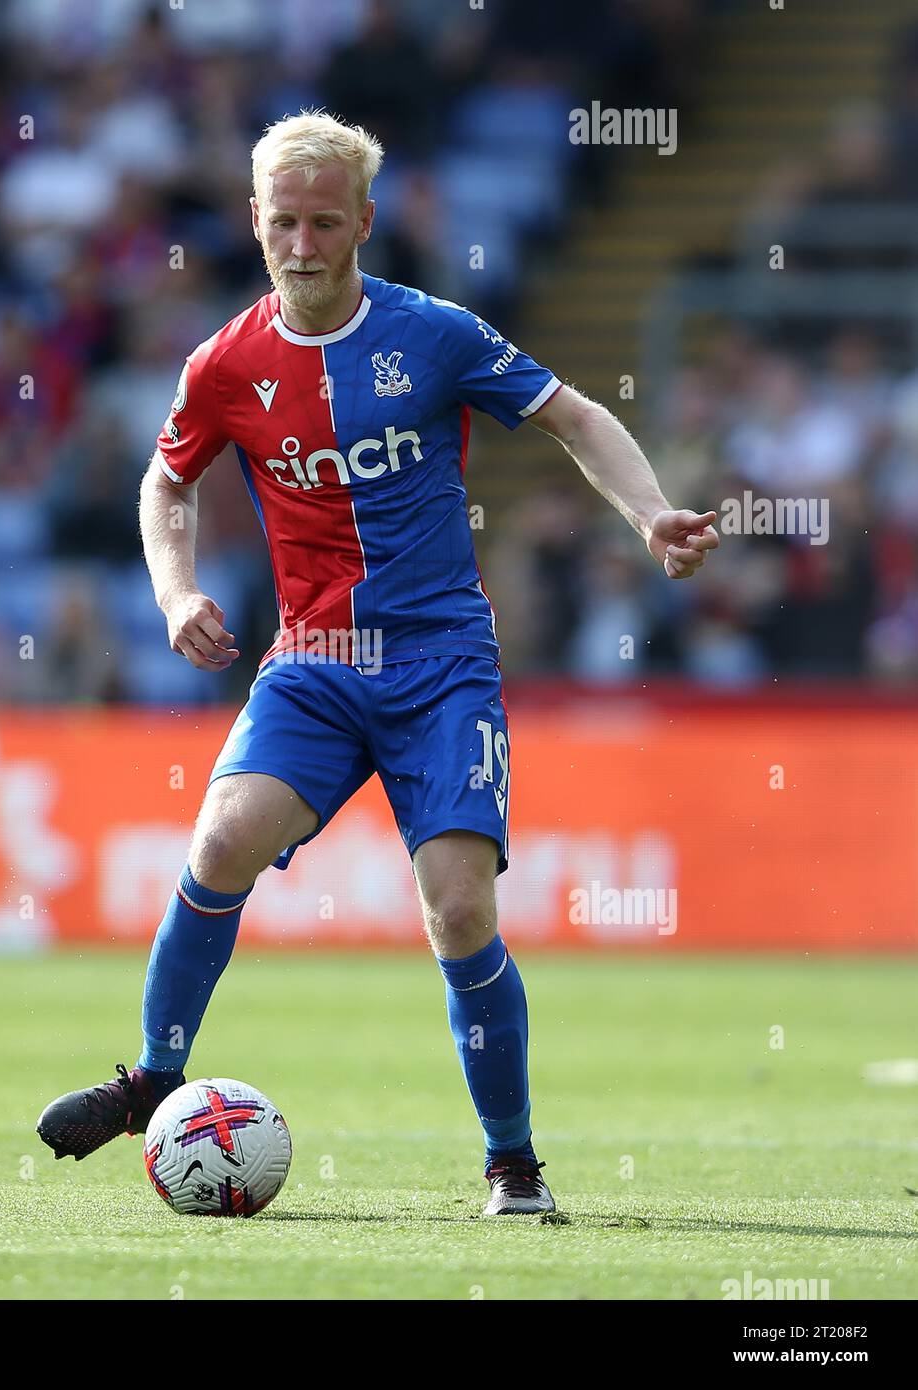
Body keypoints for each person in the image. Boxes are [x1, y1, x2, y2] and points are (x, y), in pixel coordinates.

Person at [36, 111, 718, 1216]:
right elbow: (166, 484)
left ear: (361, 221)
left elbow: (578, 419)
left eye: (323, 222)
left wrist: (648, 517)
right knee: (219, 839)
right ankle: (156, 1079)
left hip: (442, 661)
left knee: (457, 910)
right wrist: (176, 594)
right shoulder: (225, 363)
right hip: (312, 660)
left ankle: (514, 1165)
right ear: (255, 224)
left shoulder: (438, 334)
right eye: (282, 223)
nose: (302, 245)